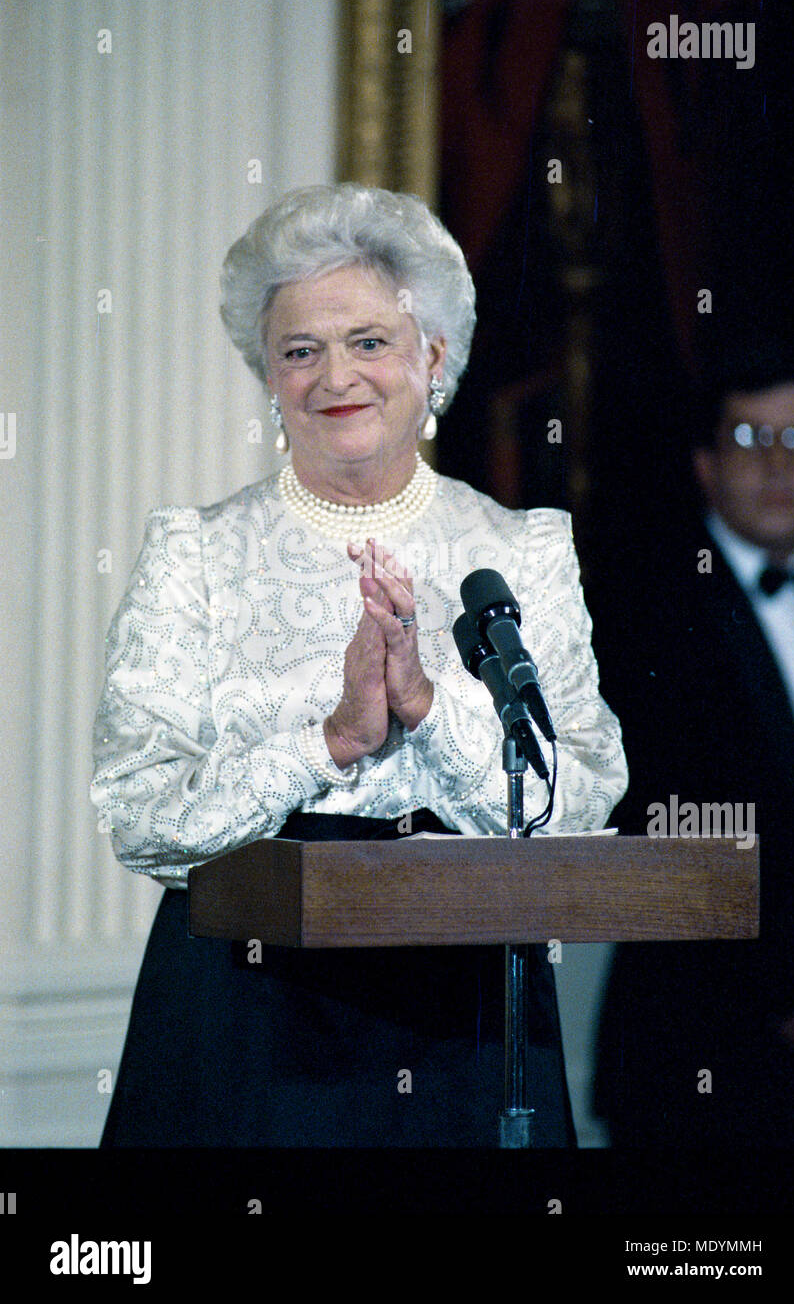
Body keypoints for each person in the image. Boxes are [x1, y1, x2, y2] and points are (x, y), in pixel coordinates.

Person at [90, 182, 627, 1147]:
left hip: (469, 1017)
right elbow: (139, 814)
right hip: (244, 1015)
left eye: (370, 341)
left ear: (435, 357)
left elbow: (580, 799)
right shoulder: (192, 554)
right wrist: (330, 742)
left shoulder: (524, 551)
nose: (335, 375)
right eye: (301, 350)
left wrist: (426, 705)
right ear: (268, 373)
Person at [592, 339, 794, 1146]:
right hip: (703, 1046)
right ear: (705, 464)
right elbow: (661, 824)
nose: (781, 463)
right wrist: (791, 991)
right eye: (751, 437)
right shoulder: (643, 610)